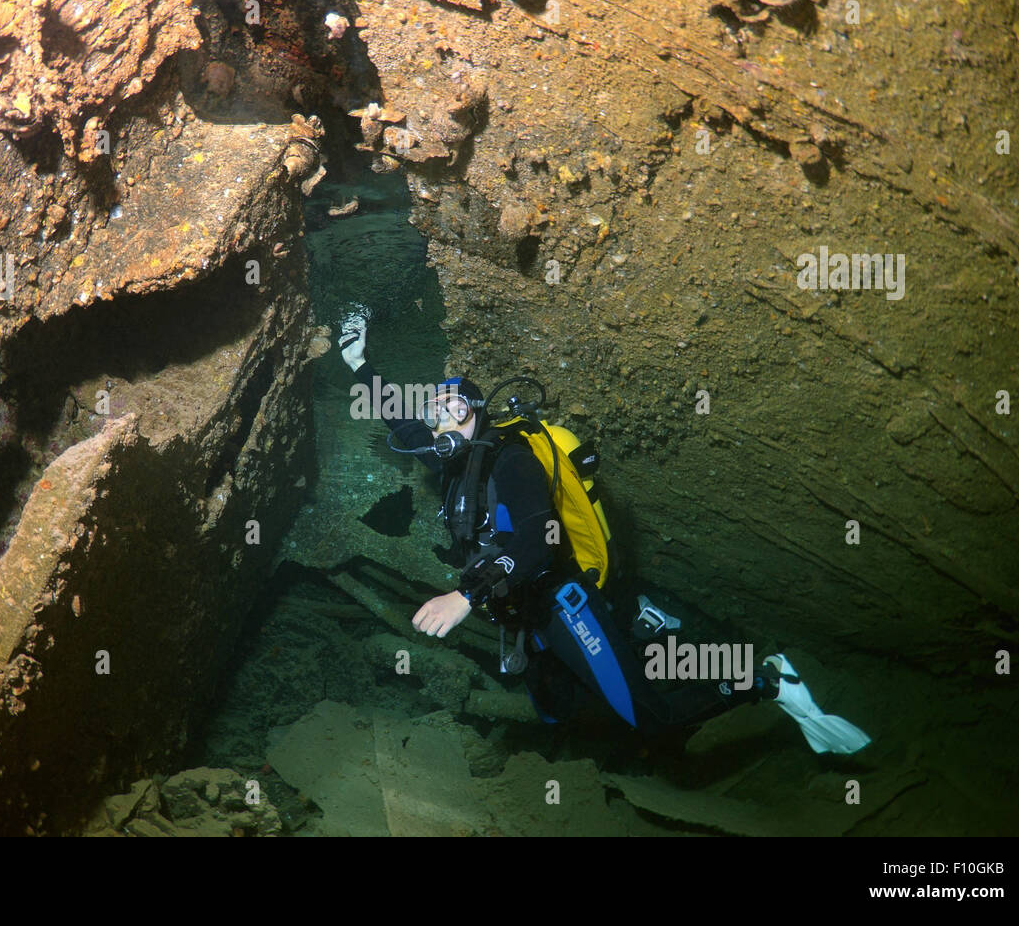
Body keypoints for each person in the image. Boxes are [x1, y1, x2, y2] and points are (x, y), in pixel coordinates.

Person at [338, 313, 871, 754]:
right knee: (555, 713)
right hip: (525, 617)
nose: (443, 420)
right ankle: (635, 623)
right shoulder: (452, 466)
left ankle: (767, 679)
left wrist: (464, 595)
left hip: (559, 600)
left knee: (650, 718)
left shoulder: (510, 459)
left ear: (478, 415)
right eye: (436, 411)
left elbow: (540, 534)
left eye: (455, 407)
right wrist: (359, 363)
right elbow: (399, 422)